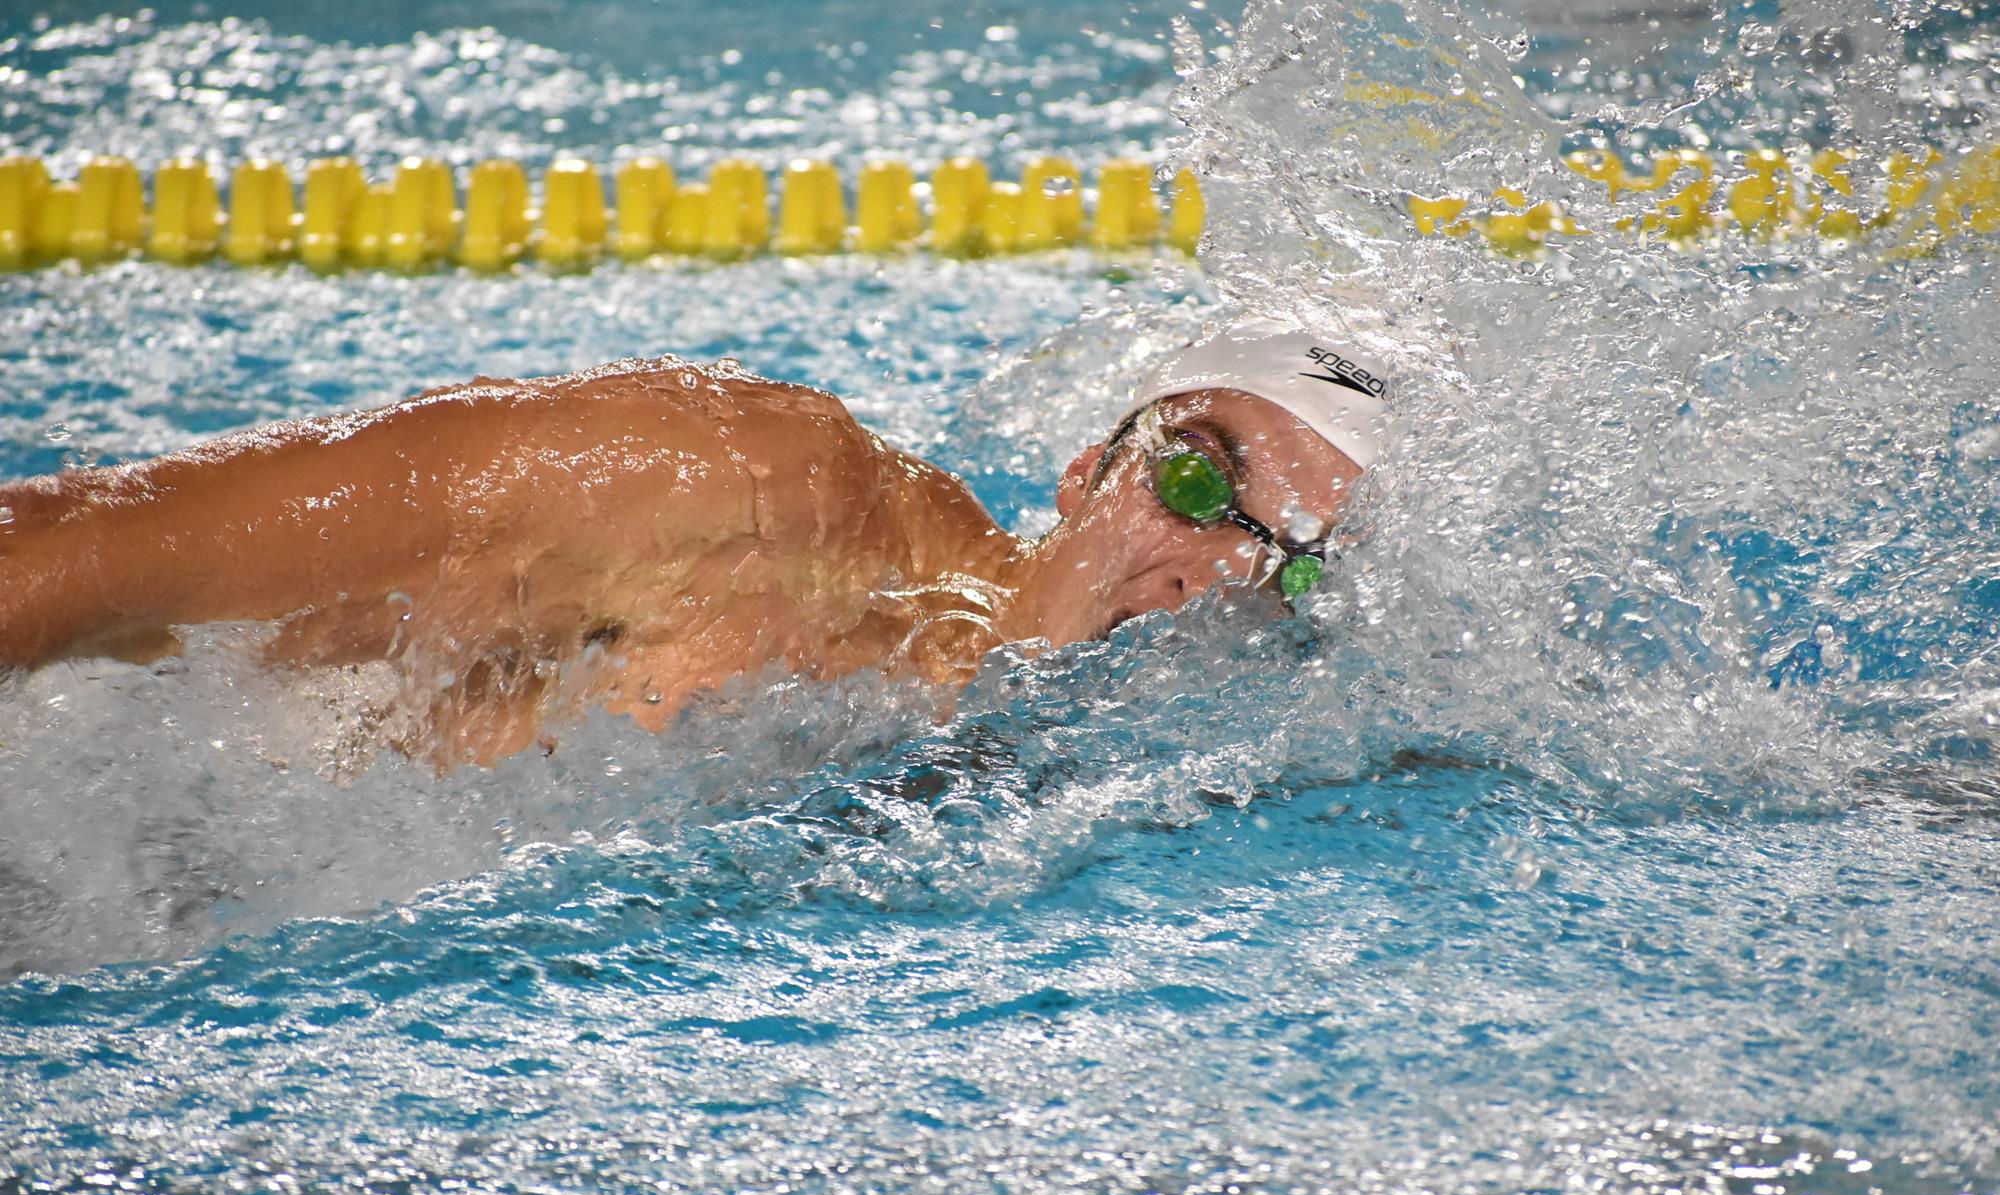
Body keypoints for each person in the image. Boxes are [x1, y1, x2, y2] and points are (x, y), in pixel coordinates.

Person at [0, 320, 1390, 765]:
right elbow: (71, 554)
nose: (1209, 576)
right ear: (1090, 465)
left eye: (1295, 561)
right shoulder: (730, 479)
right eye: (1200, 488)